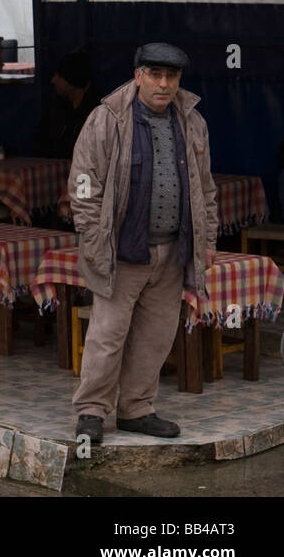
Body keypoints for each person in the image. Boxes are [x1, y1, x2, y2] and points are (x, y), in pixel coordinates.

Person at [69, 43, 217, 444]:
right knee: (107, 335)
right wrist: (94, 237)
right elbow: (83, 186)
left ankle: (136, 409)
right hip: (122, 250)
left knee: (155, 337)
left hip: (173, 250)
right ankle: (91, 411)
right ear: (138, 76)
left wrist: (208, 239)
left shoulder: (193, 121)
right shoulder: (107, 119)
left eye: (171, 77)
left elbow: (205, 189)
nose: (163, 84)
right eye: (155, 75)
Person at [38, 50, 100, 159]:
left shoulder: (98, 109)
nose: (53, 81)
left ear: (72, 79)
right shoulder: (57, 106)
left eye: (59, 76)